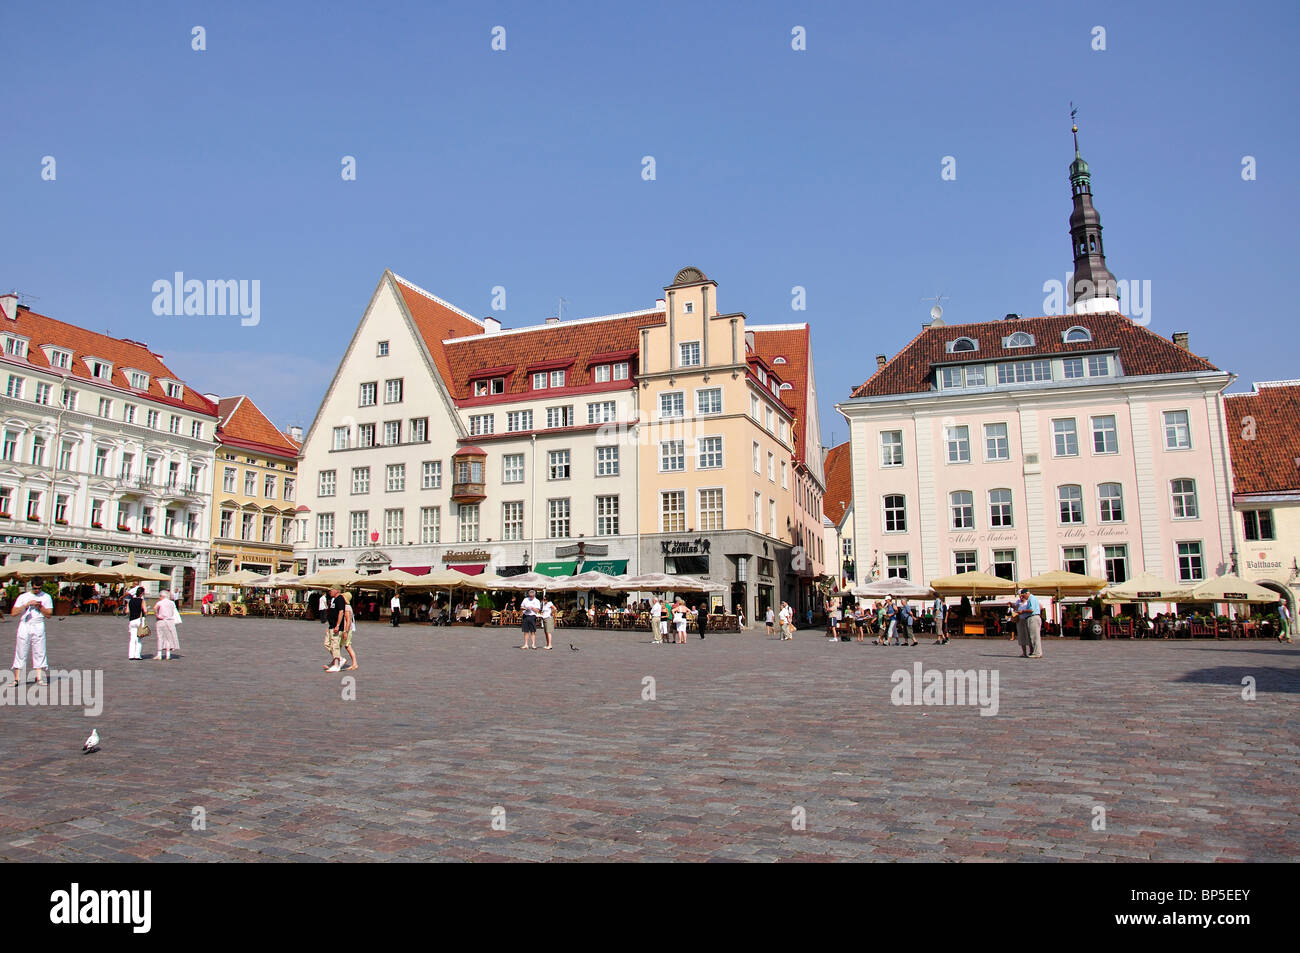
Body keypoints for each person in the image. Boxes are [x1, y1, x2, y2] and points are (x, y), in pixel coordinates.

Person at [11, 578, 53, 686]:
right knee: (21, 649)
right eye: (35, 588)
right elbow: (13, 613)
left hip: (38, 624)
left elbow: (49, 614)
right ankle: (16, 678)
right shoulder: (23, 597)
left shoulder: (46, 596)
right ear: (31, 586)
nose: (37, 591)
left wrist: (40, 606)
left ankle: (39, 677)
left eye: (39, 588)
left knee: (39, 650)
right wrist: (26, 605)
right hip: (25, 624)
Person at [324, 586, 347, 671]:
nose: (329, 592)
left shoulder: (340, 599)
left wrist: (337, 625)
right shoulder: (334, 599)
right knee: (327, 643)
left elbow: (341, 612)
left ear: (336, 590)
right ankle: (339, 658)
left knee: (335, 645)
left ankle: (336, 665)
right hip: (331, 626)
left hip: (336, 627)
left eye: (331, 590)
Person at [154, 589, 180, 661]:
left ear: (162, 596)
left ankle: (159, 654)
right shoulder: (172, 603)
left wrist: (157, 615)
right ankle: (168, 654)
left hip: (161, 621)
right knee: (169, 638)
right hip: (170, 621)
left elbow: (155, 608)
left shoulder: (160, 602)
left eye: (160, 596)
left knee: (160, 637)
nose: (159, 597)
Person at [1016, 588, 1043, 658]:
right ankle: (1034, 652)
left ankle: (1037, 653)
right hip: (1031, 618)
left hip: (1033, 618)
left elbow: (1031, 610)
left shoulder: (1031, 598)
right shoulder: (1030, 599)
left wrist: (1022, 611)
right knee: (1032, 636)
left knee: (1035, 636)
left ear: (1026, 593)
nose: (1023, 597)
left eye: (1023, 595)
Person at [127, 586, 148, 660]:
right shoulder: (142, 601)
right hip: (139, 620)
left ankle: (131, 655)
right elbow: (145, 610)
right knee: (139, 639)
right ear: (141, 593)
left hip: (132, 620)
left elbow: (127, 611)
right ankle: (137, 655)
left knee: (132, 639)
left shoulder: (130, 600)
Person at [341, 594, 358, 670]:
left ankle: (354, 663)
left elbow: (348, 621)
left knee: (347, 646)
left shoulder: (347, 607)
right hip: (346, 629)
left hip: (346, 629)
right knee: (344, 646)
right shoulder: (347, 606)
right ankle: (337, 662)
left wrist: (345, 631)